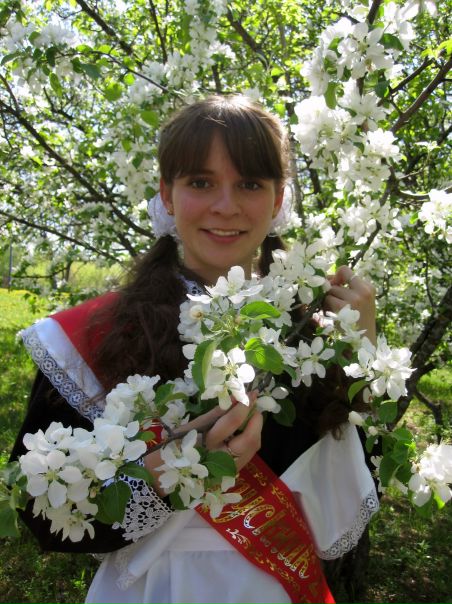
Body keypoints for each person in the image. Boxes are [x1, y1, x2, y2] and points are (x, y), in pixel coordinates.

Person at [11, 95, 379, 604]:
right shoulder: (99, 333)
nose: (225, 206)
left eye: (250, 184)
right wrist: (163, 476)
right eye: (201, 183)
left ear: (278, 200)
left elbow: (356, 485)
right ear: (167, 194)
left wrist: (362, 353)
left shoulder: (312, 330)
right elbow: (39, 512)